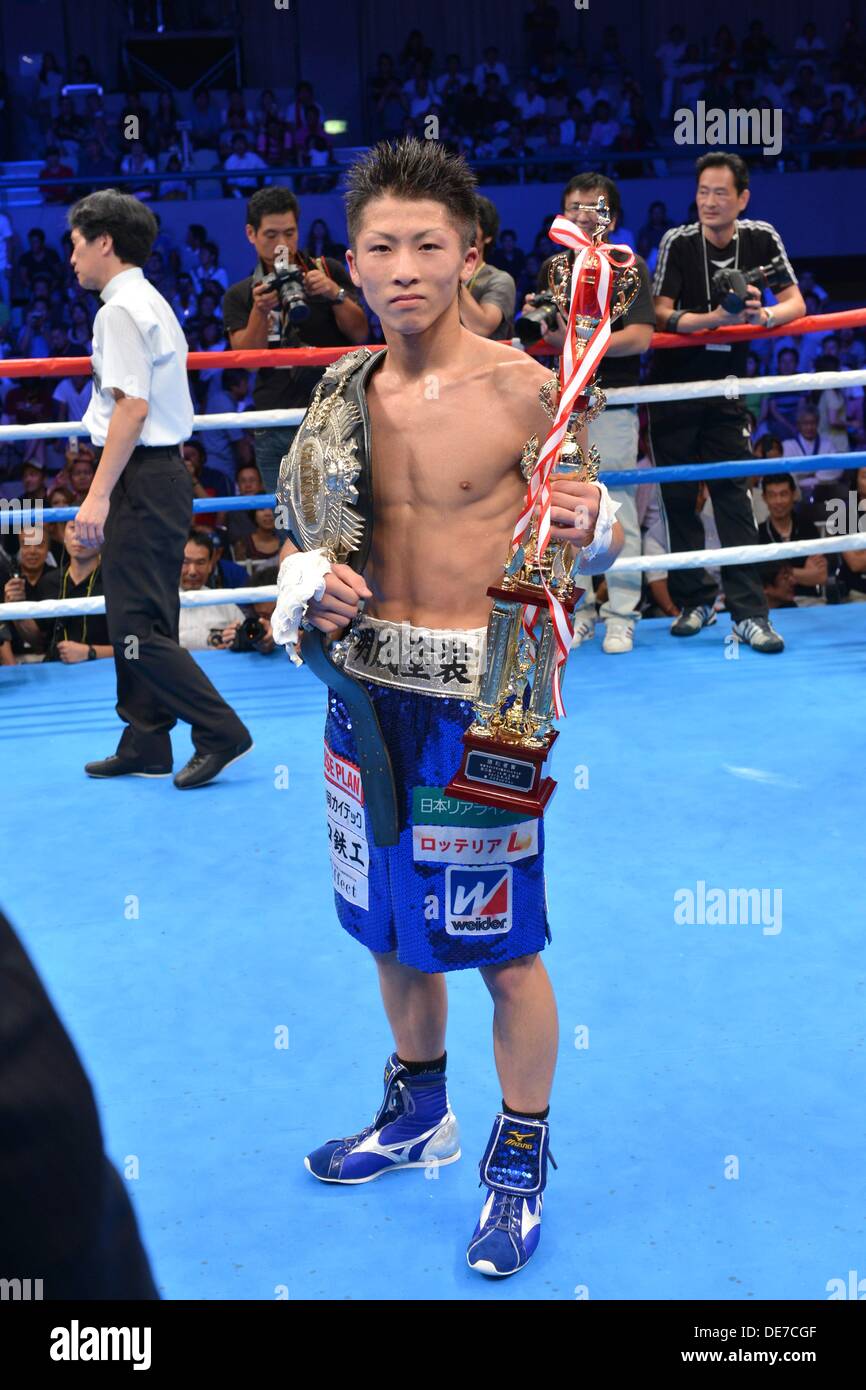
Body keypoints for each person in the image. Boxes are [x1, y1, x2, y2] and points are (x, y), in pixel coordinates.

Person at [271, 138, 624, 1278]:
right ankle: (417, 1110)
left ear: (469, 255)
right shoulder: (337, 394)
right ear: (354, 263)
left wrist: (597, 523)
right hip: (361, 694)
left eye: (428, 244)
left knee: (500, 944)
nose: (404, 266)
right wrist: (303, 583)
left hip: (483, 705)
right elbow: (299, 536)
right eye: (382, 246)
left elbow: (597, 518)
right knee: (385, 921)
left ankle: (516, 1158)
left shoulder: (529, 386)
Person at [67, 188, 252, 788]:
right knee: (143, 614)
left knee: (136, 625)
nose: (71, 257)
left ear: (104, 243)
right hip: (154, 475)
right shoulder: (147, 299)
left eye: (76, 244)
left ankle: (219, 729)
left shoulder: (119, 310)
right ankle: (145, 739)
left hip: (142, 474)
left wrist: (96, 495)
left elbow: (133, 409)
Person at [649, 152, 806, 653]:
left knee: (734, 496)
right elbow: (659, 313)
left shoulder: (762, 236)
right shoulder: (678, 241)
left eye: (721, 193)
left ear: (742, 198)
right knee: (678, 498)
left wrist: (764, 317)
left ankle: (749, 613)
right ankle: (695, 601)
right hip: (674, 387)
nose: (710, 202)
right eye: (702, 192)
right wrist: (714, 318)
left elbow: (796, 304)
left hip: (729, 385)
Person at [523, 171, 656, 654]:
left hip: (613, 401)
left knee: (616, 504)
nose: (582, 213)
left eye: (594, 207)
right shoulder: (553, 268)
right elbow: (543, 336)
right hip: (562, 407)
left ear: (612, 218)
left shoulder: (628, 265)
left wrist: (581, 346)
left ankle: (622, 614)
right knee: (565, 510)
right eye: (574, 205)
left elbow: (641, 338)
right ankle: (576, 610)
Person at [221, 186, 368, 494]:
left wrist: (334, 293)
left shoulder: (327, 270)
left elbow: (360, 333)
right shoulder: (241, 295)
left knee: (341, 512)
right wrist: (260, 312)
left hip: (333, 416)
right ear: (251, 233)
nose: (282, 245)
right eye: (271, 235)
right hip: (274, 420)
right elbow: (246, 362)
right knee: (286, 520)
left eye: (289, 233)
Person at [45, 520, 113, 661]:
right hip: (54, 670)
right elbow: (37, 641)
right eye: (73, 528)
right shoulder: (49, 581)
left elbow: (135, 649)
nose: (79, 535)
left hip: (103, 673)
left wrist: (91, 652)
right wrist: (16, 604)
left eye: (88, 528)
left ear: (103, 535)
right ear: (64, 535)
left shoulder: (118, 582)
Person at [757, 473, 827, 603]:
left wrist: (777, 573)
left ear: (793, 495)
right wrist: (803, 573)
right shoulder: (758, 534)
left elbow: (820, 576)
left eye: (783, 494)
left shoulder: (807, 528)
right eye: (772, 495)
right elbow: (758, 579)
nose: (778, 501)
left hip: (808, 600)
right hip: (772, 604)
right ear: (764, 498)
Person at [458, 195, 516, 341]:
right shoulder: (433, 277)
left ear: (488, 236)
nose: (461, 232)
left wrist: (451, 275)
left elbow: (482, 328)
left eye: (470, 224)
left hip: (486, 362)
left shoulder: (499, 280)